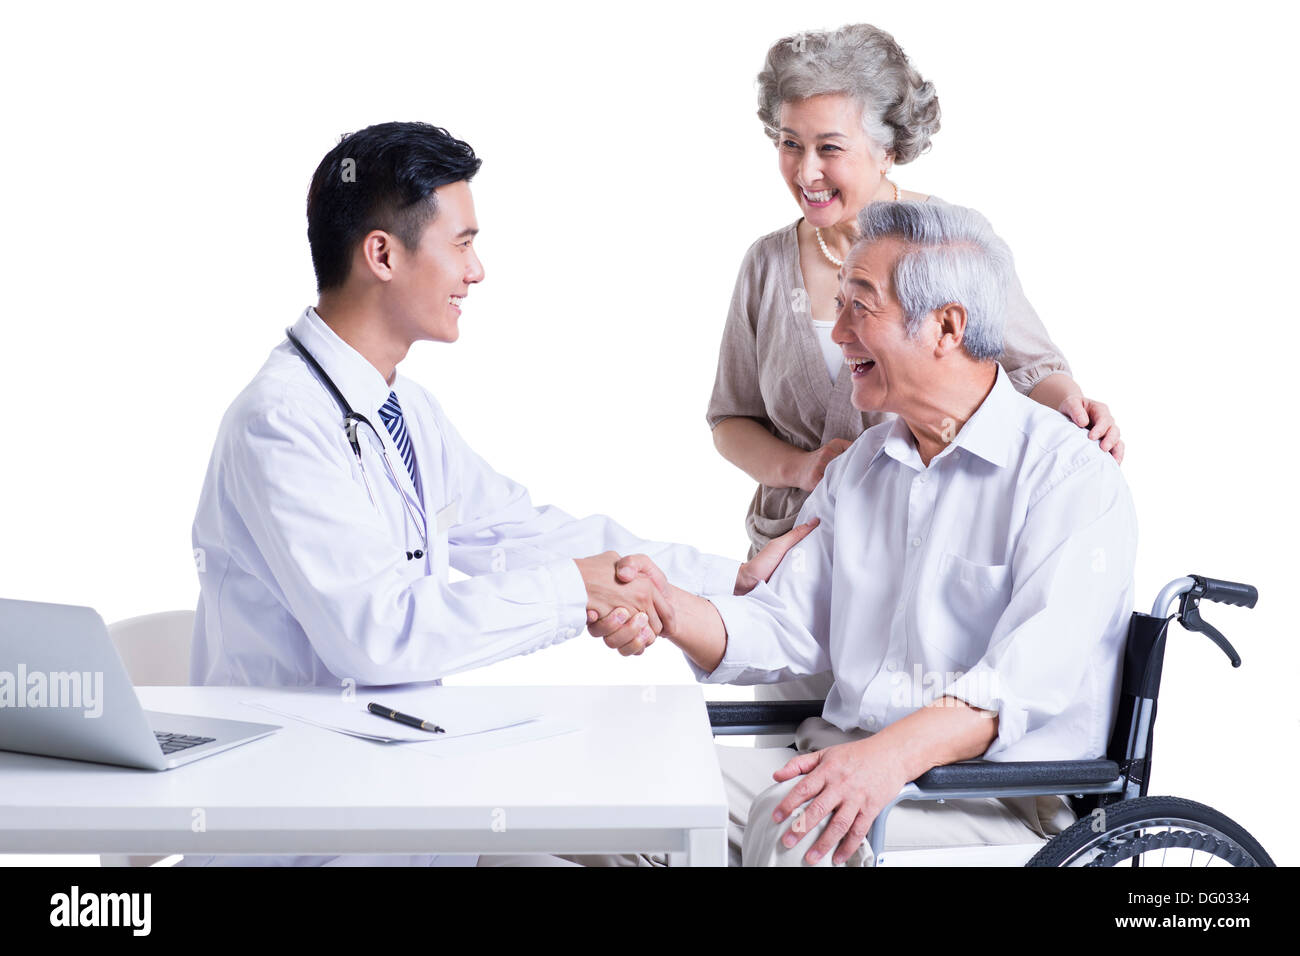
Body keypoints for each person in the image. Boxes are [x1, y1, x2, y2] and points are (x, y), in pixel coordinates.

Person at [185, 121, 806, 867]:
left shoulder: (403, 409)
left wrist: (718, 579)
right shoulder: (281, 422)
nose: (476, 271)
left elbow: (524, 533)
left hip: (397, 792)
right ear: (381, 253)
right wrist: (576, 593)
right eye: (462, 242)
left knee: (634, 850)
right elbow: (379, 635)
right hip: (301, 821)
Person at [593, 200, 1138, 866]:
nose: (839, 332)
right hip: (849, 764)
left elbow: (1016, 689)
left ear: (945, 326)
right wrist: (669, 608)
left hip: (993, 799)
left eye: (860, 306)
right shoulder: (860, 469)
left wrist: (879, 764)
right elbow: (786, 624)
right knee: (620, 792)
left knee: (800, 818)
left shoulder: (1069, 480)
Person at [709, 23, 1125, 703]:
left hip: (922, 571)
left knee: (887, 757)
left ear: (888, 148)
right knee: (795, 761)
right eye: (789, 144)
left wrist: (1075, 412)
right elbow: (730, 417)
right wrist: (803, 469)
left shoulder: (947, 247)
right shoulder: (766, 264)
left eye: (829, 148)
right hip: (796, 567)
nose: (805, 171)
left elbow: (1023, 366)